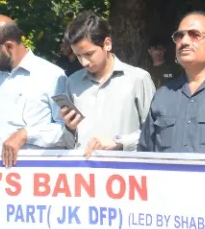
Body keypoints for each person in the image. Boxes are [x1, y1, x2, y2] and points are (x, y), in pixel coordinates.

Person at [0, 14, 67, 165]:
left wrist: (26, 134)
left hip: (37, 177)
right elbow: (1, 125)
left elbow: (67, 130)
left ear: (8, 47)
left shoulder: (54, 76)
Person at [140, 12, 205, 154]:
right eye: (179, 36)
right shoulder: (163, 95)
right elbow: (145, 154)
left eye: (194, 34)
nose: (184, 41)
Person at [59, 12, 155, 157]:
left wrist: (119, 143)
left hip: (125, 173)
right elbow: (66, 144)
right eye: (78, 56)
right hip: (82, 172)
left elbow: (154, 132)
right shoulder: (72, 82)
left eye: (89, 54)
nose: (84, 62)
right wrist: (69, 128)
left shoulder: (138, 79)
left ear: (107, 44)